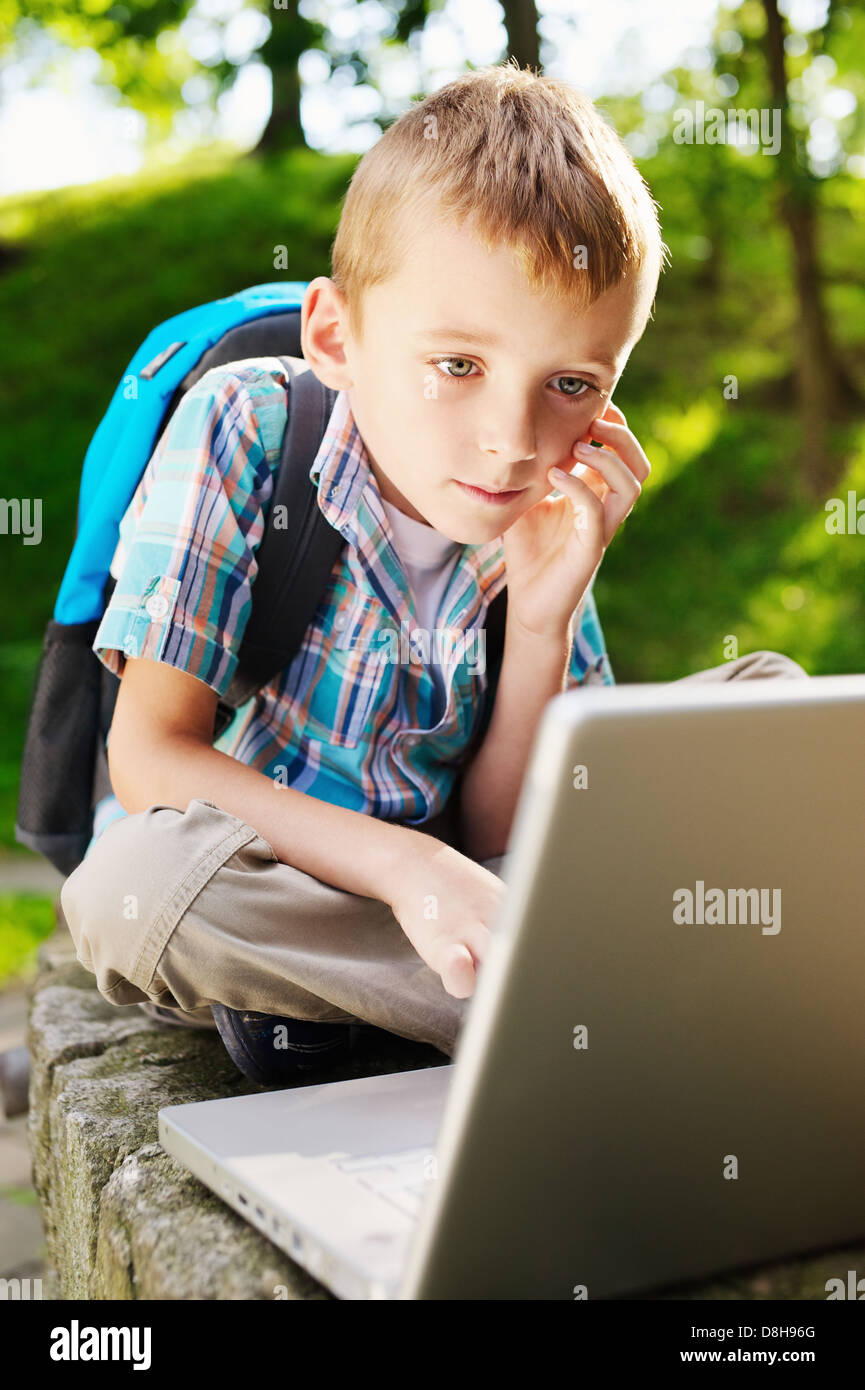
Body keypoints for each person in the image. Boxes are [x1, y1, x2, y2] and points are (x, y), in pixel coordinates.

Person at [60, 62, 807, 1085]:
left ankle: (417, 1012)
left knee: (767, 707)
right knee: (132, 885)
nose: (511, 440)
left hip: (467, 892)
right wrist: (406, 868)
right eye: (458, 365)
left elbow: (508, 835)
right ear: (337, 335)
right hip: (274, 889)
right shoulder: (251, 424)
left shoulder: (544, 515)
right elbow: (148, 759)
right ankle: (610, 1019)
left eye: (572, 384)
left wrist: (542, 623)